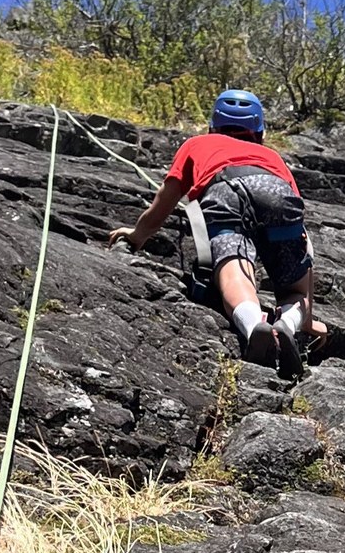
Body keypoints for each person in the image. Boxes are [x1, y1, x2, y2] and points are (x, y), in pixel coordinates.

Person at [109, 89, 313, 379]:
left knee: (234, 273)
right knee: (294, 290)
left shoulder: (198, 143)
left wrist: (137, 236)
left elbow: (164, 202)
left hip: (225, 189)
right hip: (277, 193)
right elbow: (298, 219)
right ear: (260, 133)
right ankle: (289, 325)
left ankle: (255, 325)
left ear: (212, 126)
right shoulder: (272, 156)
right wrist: (308, 316)